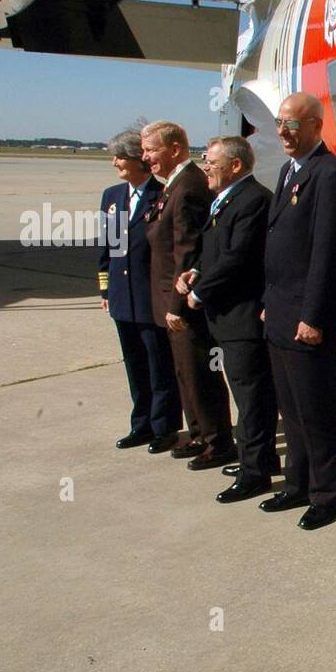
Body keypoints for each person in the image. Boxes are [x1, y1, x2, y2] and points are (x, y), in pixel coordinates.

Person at [258, 93, 336, 530]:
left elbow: (327, 253)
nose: (283, 131)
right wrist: (268, 303)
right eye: (280, 123)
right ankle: (296, 483)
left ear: (317, 125)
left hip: (307, 318)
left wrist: (314, 316)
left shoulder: (330, 174)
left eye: (292, 125)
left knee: (317, 412)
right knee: (292, 409)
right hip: (279, 311)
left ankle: (325, 495)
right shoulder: (289, 170)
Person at [178, 136, 278, 503]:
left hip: (243, 316)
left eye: (212, 161)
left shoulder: (252, 200)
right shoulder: (228, 199)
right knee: (246, 394)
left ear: (235, 165)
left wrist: (200, 292)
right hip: (228, 316)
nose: (206, 167)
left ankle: (256, 472)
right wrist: (194, 272)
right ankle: (260, 458)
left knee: (252, 398)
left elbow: (238, 258)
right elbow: (214, 249)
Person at [139, 120, 235, 471]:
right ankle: (198, 434)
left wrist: (178, 304)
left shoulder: (190, 186)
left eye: (151, 150)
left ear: (175, 148)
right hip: (168, 298)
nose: (145, 157)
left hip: (182, 301)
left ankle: (217, 441)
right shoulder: (175, 184)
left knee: (199, 373)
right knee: (184, 372)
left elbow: (188, 252)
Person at [97, 129, 181, 454]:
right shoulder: (112, 196)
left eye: (120, 156)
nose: (114, 161)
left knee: (159, 365)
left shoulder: (162, 194)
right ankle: (141, 424)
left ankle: (165, 427)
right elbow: (110, 246)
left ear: (138, 160)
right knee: (134, 364)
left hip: (151, 298)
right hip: (122, 296)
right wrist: (106, 290)